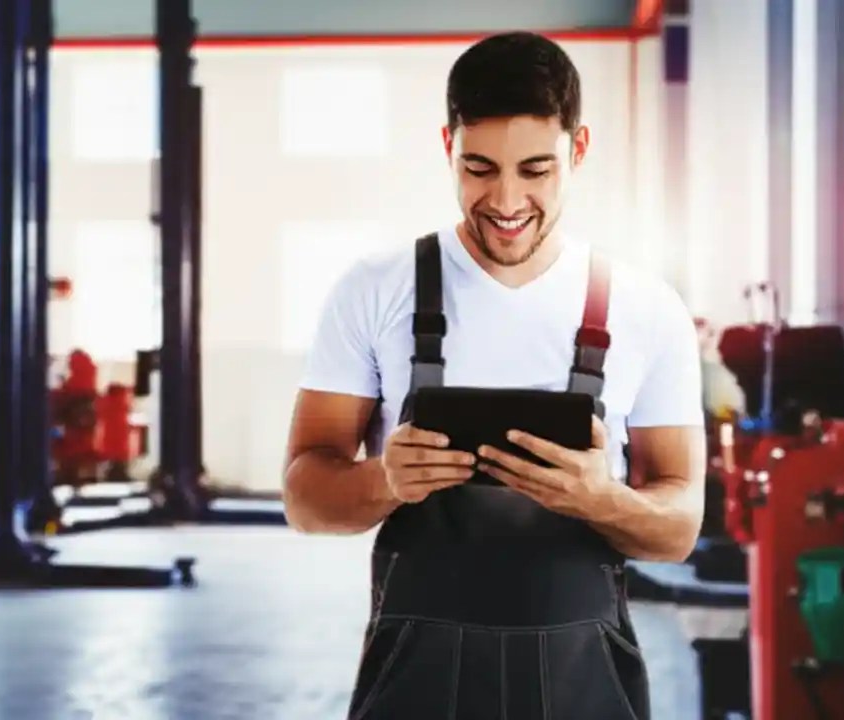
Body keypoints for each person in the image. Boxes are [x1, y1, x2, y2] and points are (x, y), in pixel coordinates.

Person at [280, 32, 706, 719]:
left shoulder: (646, 309)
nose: (507, 201)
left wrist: (602, 500)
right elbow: (304, 497)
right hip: (416, 680)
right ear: (447, 146)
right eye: (479, 168)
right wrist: (382, 479)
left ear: (579, 148)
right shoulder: (373, 290)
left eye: (536, 169)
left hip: (583, 682)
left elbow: (679, 526)